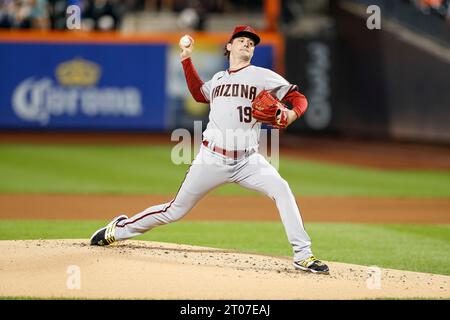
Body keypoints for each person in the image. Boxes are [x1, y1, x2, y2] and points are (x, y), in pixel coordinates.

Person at [90, 25, 329, 275]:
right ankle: (117, 230)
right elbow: (197, 93)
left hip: (248, 162)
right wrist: (185, 58)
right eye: (241, 40)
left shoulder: (263, 76)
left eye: (251, 42)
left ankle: (303, 255)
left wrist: (292, 113)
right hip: (211, 159)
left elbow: (298, 97)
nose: (247, 44)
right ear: (229, 46)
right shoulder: (218, 79)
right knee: (174, 210)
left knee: (282, 189)